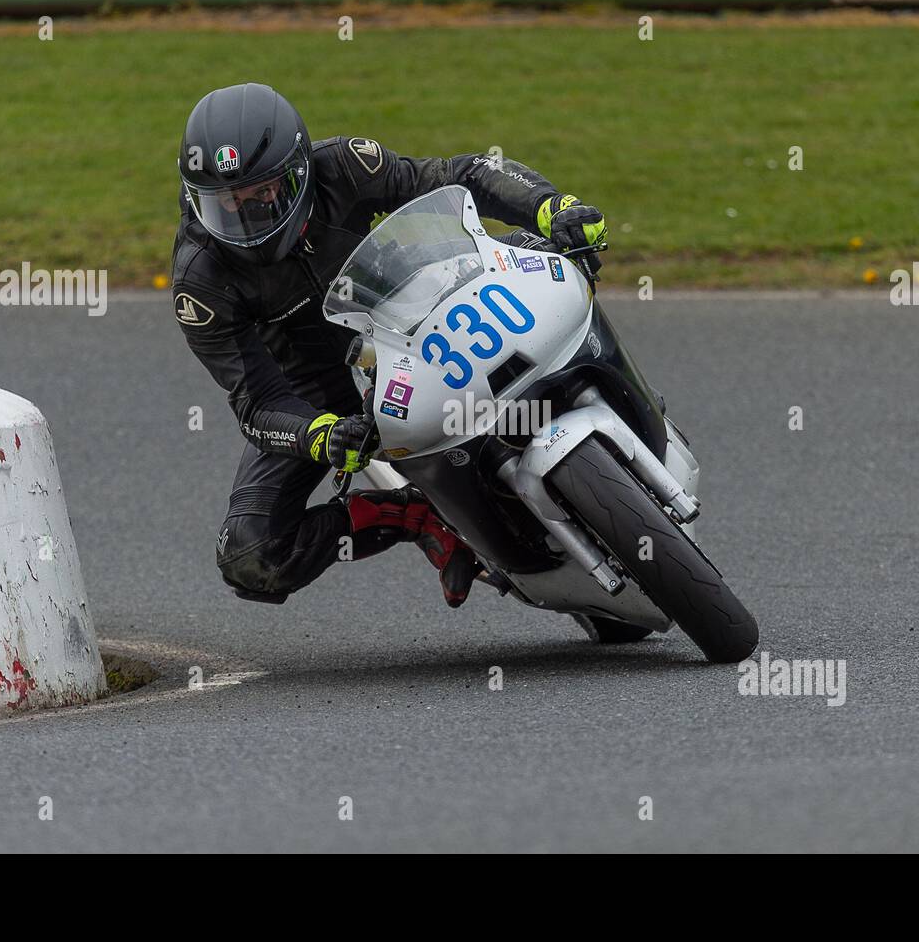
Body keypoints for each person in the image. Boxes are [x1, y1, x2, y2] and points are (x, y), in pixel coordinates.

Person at [171, 82, 607, 608]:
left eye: (263, 195)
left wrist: (550, 205)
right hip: (317, 385)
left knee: (547, 253)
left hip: (416, 305)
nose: (246, 220)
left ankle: (616, 390)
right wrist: (319, 435)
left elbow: (465, 173)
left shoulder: (345, 165)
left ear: (300, 172)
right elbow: (256, 403)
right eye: (225, 204)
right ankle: (412, 514)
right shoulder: (199, 281)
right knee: (250, 554)